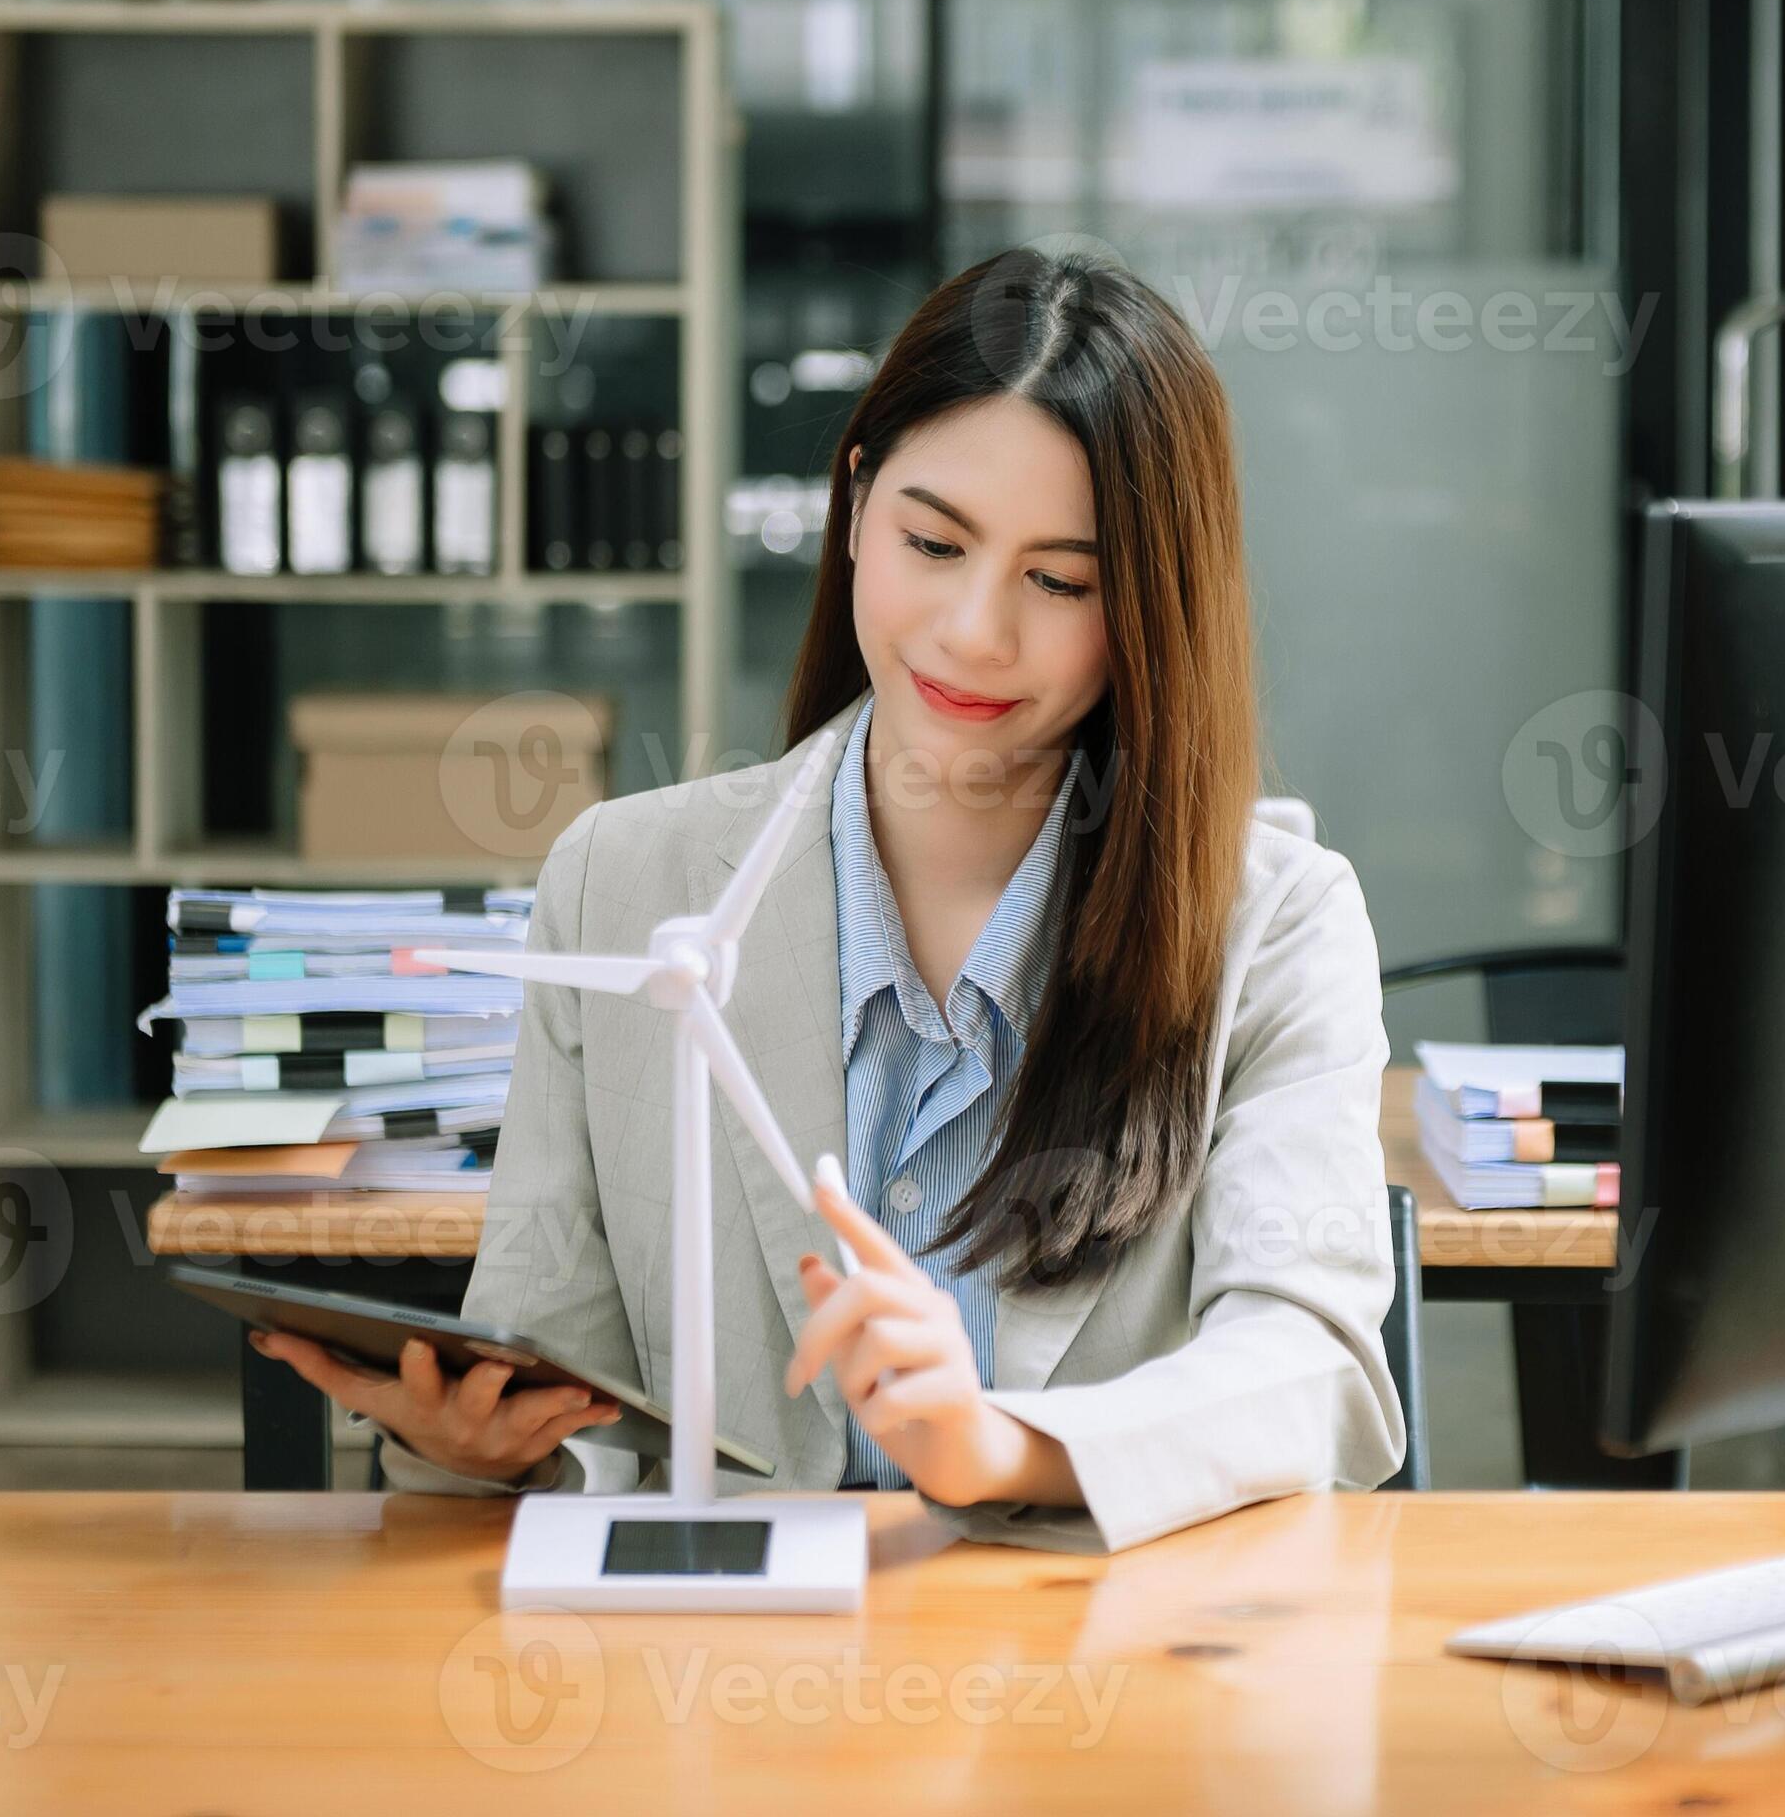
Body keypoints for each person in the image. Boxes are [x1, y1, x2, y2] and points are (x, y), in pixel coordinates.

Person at [251, 247, 1403, 1550]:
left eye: (1061, 581)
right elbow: (564, 1399)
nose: (975, 630)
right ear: (855, 505)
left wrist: (997, 1444)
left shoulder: (1277, 922)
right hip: (715, 1688)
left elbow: (1312, 1371)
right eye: (933, 541)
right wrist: (475, 1448)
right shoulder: (624, 882)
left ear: (1151, 603)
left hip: (1090, 1685)